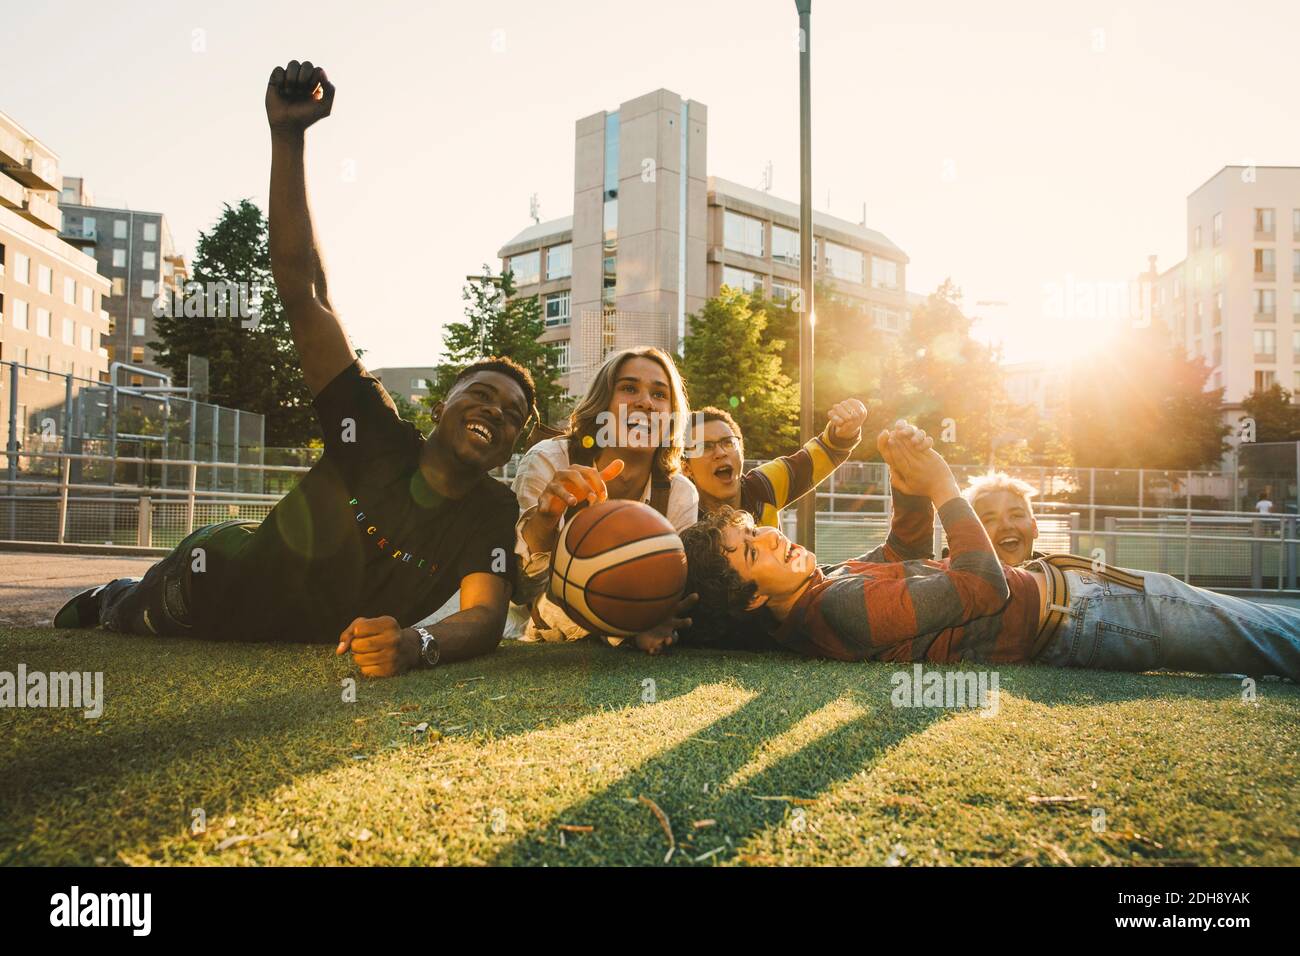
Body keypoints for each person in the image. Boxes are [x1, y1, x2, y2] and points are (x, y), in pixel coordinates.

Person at [54, 60, 531, 678]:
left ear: (512, 446)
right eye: (484, 394)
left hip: (296, 632)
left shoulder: (491, 510)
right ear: (441, 405)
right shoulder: (376, 436)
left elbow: (485, 615)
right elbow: (305, 293)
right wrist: (289, 137)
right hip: (211, 588)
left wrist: (420, 643)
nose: (498, 409)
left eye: (516, 414)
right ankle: (113, 594)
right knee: (131, 615)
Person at [680, 423, 1300, 680]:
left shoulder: (823, 594)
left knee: (1265, 632)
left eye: (756, 528)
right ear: (755, 595)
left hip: (1077, 602)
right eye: (751, 548)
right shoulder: (837, 608)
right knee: (1270, 636)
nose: (773, 533)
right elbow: (984, 585)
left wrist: (905, 483)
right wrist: (944, 484)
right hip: (1084, 616)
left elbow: (903, 549)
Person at [510, 346, 699, 653]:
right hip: (526, 645)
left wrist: (658, 614)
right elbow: (521, 592)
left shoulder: (679, 493)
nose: (645, 403)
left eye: (660, 394)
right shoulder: (548, 461)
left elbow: (667, 596)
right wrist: (543, 521)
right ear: (602, 404)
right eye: (628, 388)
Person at [682, 399, 867, 526]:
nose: (721, 452)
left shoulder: (762, 486)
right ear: (686, 468)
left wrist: (844, 430)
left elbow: (823, 453)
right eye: (705, 446)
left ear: (742, 452)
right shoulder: (680, 518)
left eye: (728, 442)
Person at [963, 472, 1047, 566]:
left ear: (1034, 527)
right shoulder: (953, 579)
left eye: (1016, 515)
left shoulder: (1063, 576)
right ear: (973, 536)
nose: (1006, 526)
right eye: (991, 519)